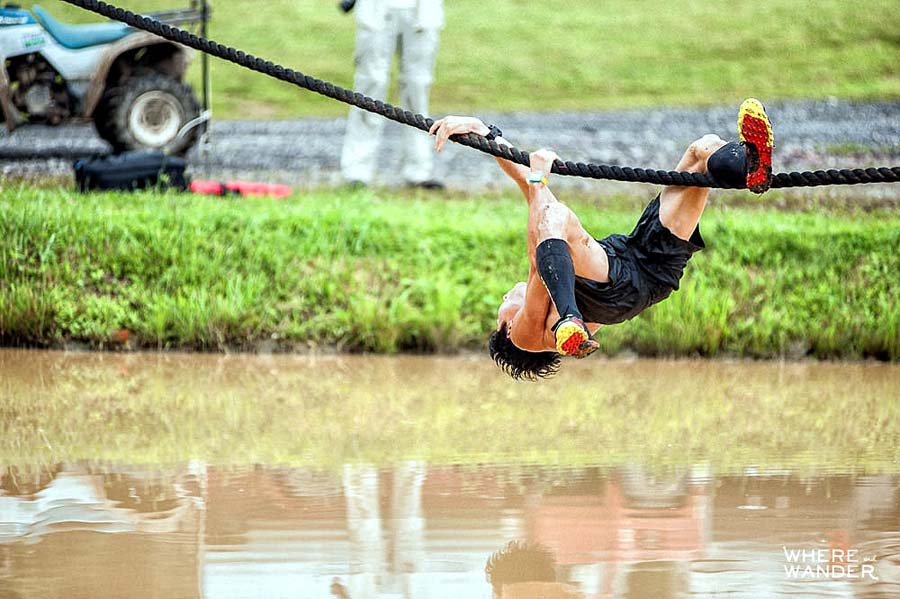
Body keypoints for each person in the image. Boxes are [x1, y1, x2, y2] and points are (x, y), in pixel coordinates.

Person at [429, 99, 774, 380]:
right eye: (500, 314)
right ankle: (570, 320)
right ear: (508, 329)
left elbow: (534, 197)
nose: (504, 299)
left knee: (702, 152)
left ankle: (751, 162)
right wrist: (537, 178)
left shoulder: (557, 276)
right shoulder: (524, 338)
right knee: (555, 218)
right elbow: (539, 233)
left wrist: (484, 131)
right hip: (621, 284)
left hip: (638, 261)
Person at [340, 0, 444, 189]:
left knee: (417, 88)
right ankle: (357, 171)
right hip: (376, 9)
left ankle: (419, 170)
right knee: (370, 87)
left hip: (422, 10)